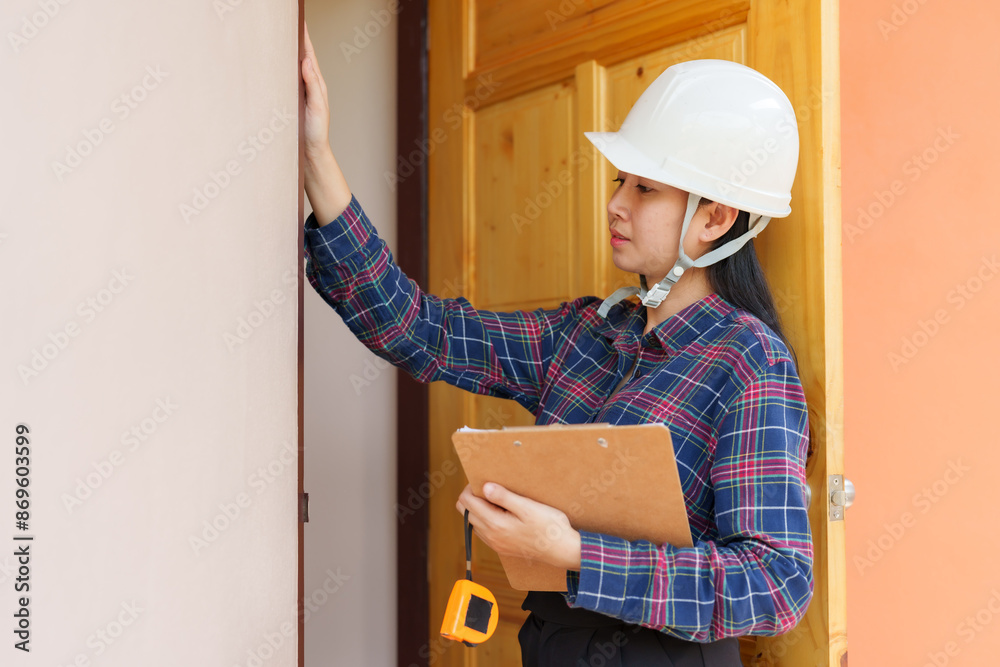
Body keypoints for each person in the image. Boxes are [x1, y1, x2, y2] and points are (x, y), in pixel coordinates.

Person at [300, 24, 813, 667]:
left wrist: (574, 553)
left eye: (644, 189)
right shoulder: (583, 334)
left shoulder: (749, 364)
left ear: (715, 218)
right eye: (619, 182)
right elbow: (419, 329)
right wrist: (316, 155)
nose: (615, 205)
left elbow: (776, 584)